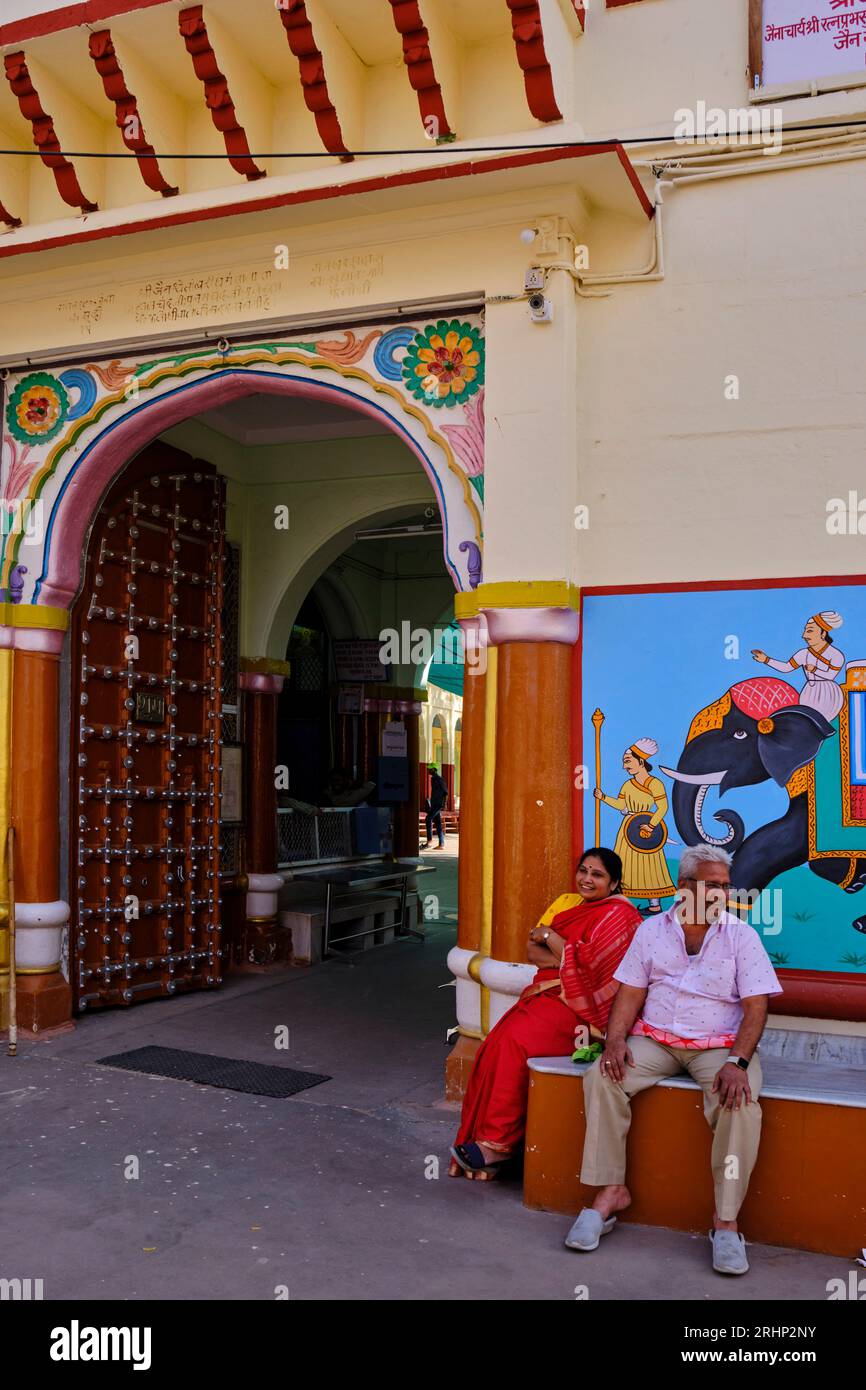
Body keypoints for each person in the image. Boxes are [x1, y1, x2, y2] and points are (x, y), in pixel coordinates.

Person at [565, 845, 782, 1275]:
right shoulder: (651, 932)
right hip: (658, 1041)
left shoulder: (742, 936)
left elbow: (756, 1008)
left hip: (719, 1046)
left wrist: (738, 1063)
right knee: (602, 1078)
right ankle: (610, 1193)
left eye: (726, 885)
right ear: (684, 889)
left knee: (739, 1104)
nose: (723, 893)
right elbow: (630, 992)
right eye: (713, 885)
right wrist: (614, 1041)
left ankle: (725, 1222)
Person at [449, 848, 642, 1180]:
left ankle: (496, 1144)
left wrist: (553, 939)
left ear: (614, 884)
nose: (587, 879)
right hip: (550, 996)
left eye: (597, 875)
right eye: (583, 871)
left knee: (515, 1044)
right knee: (495, 1044)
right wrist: (569, 959)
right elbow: (533, 952)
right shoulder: (571, 907)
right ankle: (483, 1141)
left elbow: (594, 968)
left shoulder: (620, 917)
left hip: (583, 1012)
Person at [594, 737, 676, 914]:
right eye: (624, 762)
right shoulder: (627, 785)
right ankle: (622, 904)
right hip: (628, 829)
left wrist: (652, 826)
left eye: (628, 761)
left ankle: (655, 905)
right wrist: (603, 797)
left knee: (650, 866)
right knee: (623, 865)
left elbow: (663, 807)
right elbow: (622, 806)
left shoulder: (655, 784)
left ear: (641, 761)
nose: (625, 766)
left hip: (647, 831)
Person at [752, 610, 845, 721]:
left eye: (809, 631)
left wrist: (814, 669)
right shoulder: (803, 653)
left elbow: (830, 676)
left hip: (829, 694)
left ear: (823, 633)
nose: (804, 635)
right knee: (807, 723)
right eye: (805, 630)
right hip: (809, 692)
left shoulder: (836, 655)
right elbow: (786, 668)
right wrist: (766, 660)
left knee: (823, 724)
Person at [424, 764, 448, 849]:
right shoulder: (433, 779)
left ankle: (429, 841)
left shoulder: (439, 779)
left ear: (434, 769)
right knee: (438, 823)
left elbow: (445, 792)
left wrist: (444, 804)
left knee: (428, 818)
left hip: (438, 804)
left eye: (430, 769)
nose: (428, 771)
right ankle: (441, 844)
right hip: (434, 803)